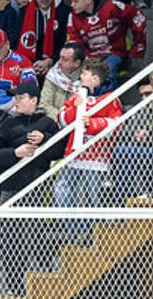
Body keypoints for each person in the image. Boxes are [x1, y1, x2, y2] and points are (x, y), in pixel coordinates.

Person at [53, 59, 124, 237]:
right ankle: (76, 232)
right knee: (61, 190)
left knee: (91, 200)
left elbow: (117, 125)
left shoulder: (111, 99)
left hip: (96, 159)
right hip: (73, 156)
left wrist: (91, 124)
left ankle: (90, 236)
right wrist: (74, 110)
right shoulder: (77, 96)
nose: (81, 77)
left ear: (94, 78)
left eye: (84, 74)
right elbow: (61, 119)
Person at [67, 0, 146, 92]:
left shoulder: (112, 7)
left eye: (76, 1)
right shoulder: (73, 16)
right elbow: (74, 41)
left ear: (88, 0)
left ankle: (105, 103)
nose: (72, 5)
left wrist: (138, 47)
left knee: (108, 70)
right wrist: (83, 57)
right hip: (90, 56)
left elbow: (137, 16)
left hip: (114, 53)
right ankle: (90, 104)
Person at [0, 81, 63, 203]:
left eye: (20, 98)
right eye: (15, 98)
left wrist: (44, 139)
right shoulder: (6, 124)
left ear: (34, 100)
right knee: (6, 222)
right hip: (10, 186)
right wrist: (15, 153)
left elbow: (59, 151)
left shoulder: (48, 123)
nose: (16, 102)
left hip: (39, 187)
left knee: (35, 221)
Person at [16, 0, 71, 73]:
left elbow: (67, 43)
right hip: (30, 65)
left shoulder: (65, 12)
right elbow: (16, 41)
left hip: (58, 63)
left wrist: (51, 61)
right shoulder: (24, 12)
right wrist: (31, 64)